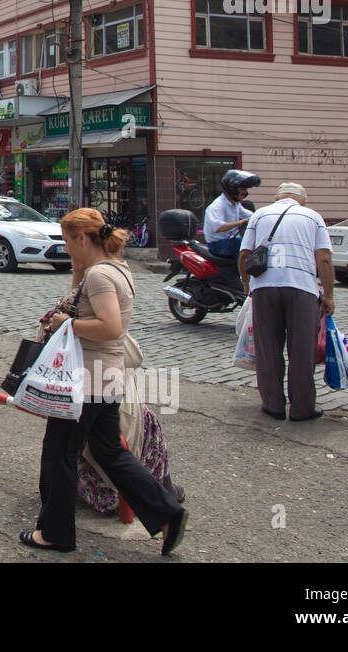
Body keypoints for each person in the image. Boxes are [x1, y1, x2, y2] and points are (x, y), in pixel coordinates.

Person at [23, 208, 187, 556]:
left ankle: (54, 533)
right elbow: (87, 307)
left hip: (87, 381)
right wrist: (77, 275)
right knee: (109, 451)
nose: (66, 248)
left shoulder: (99, 276)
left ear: (83, 238)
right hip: (107, 380)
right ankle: (168, 512)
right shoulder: (116, 269)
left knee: (59, 454)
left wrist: (64, 324)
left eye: (68, 241)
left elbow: (110, 327)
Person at [238, 182, 334, 422]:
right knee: (302, 349)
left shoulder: (259, 215)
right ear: (301, 200)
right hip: (301, 287)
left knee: (268, 348)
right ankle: (302, 408)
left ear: (278, 198)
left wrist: (248, 285)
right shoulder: (313, 217)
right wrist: (329, 296)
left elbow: (244, 255)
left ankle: (273, 404)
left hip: (264, 288)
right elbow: (323, 259)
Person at [204, 169, 260, 260]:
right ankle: (243, 273)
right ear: (232, 188)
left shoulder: (235, 204)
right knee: (244, 245)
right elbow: (218, 227)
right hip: (217, 243)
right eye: (243, 188)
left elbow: (249, 215)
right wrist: (242, 222)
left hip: (230, 240)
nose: (245, 192)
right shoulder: (218, 205)